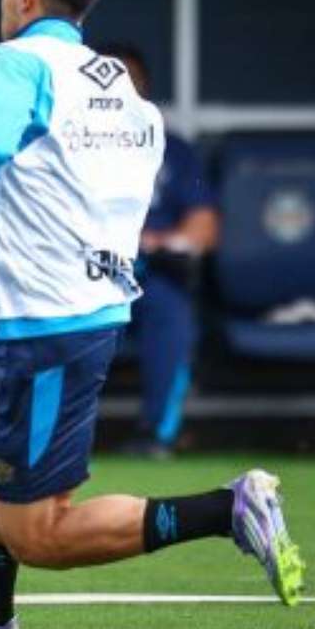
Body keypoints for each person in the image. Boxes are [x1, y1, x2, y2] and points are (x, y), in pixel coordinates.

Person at [0, 0, 303, 629]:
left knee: (39, 531)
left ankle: (229, 508)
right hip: (72, 307)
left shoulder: (14, 62)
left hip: (50, 325)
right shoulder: (125, 97)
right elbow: (82, 206)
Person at [95, 41, 220, 458]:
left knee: (173, 315)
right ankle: (59, 441)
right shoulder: (68, 146)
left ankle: (156, 437)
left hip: (152, 273)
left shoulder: (173, 149)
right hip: (86, 277)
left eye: (132, 83)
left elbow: (204, 226)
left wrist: (159, 242)